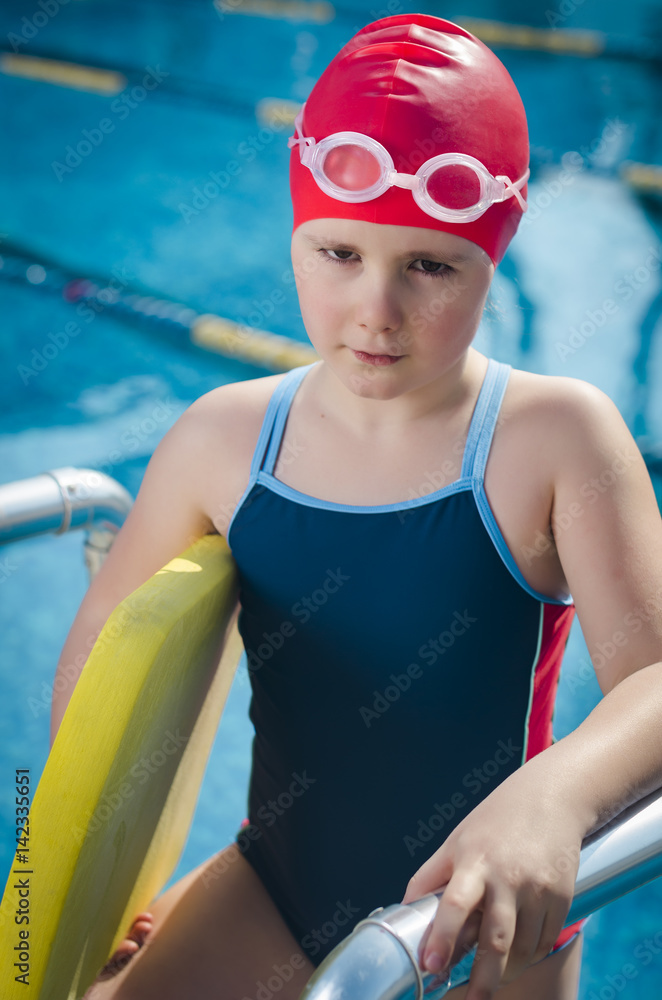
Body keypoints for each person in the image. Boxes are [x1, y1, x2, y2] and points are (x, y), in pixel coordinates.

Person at [50, 14, 662, 1000]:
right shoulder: (221, 437)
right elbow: (104, 683)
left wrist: (551, 797)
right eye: (338, 253)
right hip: (274, 889)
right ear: (293, 236)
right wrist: (119, 876)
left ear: (489, 259)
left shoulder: (555, 437)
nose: (375, 308)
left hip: (487, 921)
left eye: (428, 265)